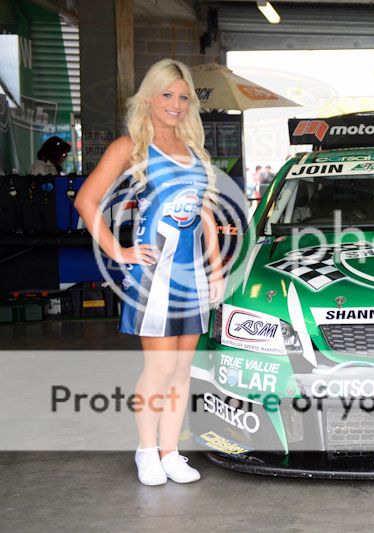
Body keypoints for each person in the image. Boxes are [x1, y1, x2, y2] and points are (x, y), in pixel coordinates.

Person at [75, 59, 224, 486]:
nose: (176, 104)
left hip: (192, 278)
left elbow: (206, 215)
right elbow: (86, 200)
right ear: (148, 98)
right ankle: (146, 450)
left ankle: (170, 452)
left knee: (181, 370)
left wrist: (215, 270)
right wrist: (118, 251)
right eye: (167, 95)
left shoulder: (194, 150)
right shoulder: (131, 147)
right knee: (158, 368)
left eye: (183, 97)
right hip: (153, 278)